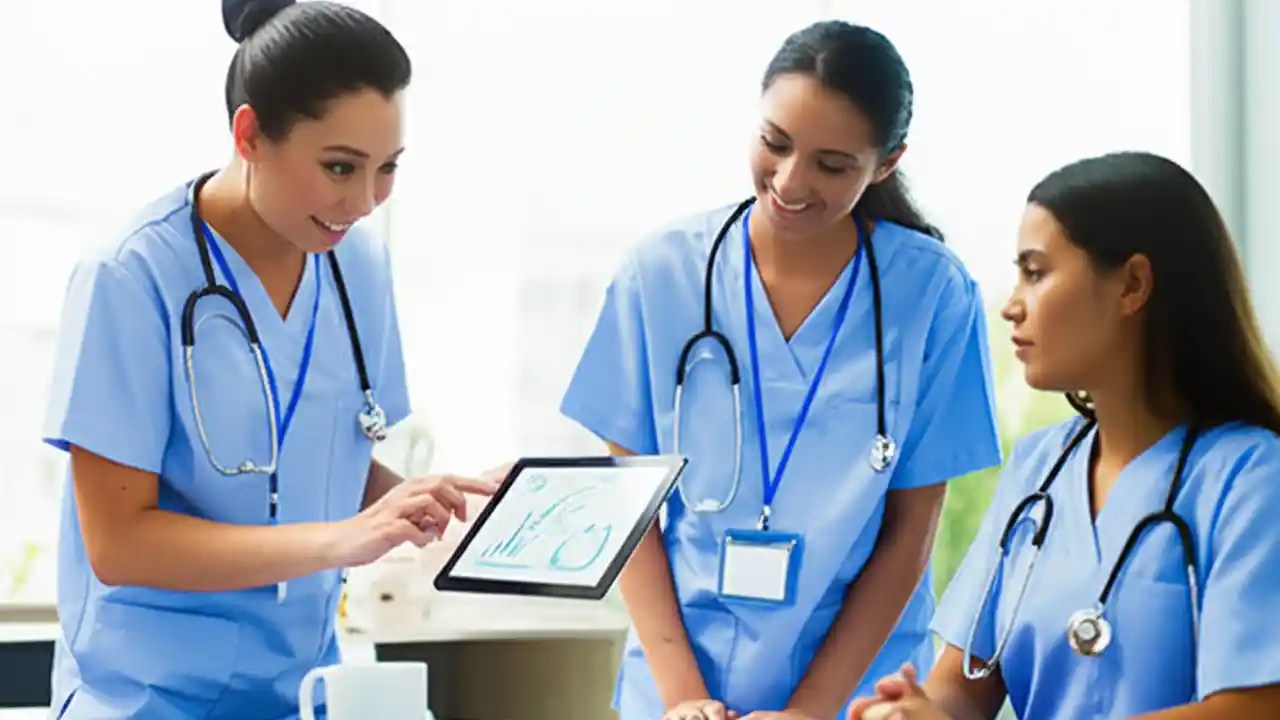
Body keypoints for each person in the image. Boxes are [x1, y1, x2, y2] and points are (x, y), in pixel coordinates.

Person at [39, 2, 498, 717]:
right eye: (340, 167)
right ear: (250, 134)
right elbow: (119, 543)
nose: (365, 201)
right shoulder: (131, 277)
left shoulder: (357, 268)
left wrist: (442, 504)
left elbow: (326, 467)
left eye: (386, 169)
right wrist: (342, 541)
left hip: (298, 689)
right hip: (144, 696)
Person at [560, 20, 1002, 720]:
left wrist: (810, 712)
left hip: (860, 692)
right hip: (679, 680)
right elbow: (631, 512)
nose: (791, 181)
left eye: (833, 165)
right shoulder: (661, 275)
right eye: (775, 142)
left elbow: (909, 535)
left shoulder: (933, 295)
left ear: (886, 164)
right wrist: (684, 698)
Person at [847, 151, 1280, 720]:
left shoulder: (1253, 477)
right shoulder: (1040, 466)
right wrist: (910, 713)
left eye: (1036, 272)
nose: (1011, 306)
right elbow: (963, 688)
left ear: (1132, 285)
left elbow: (1255, 708)